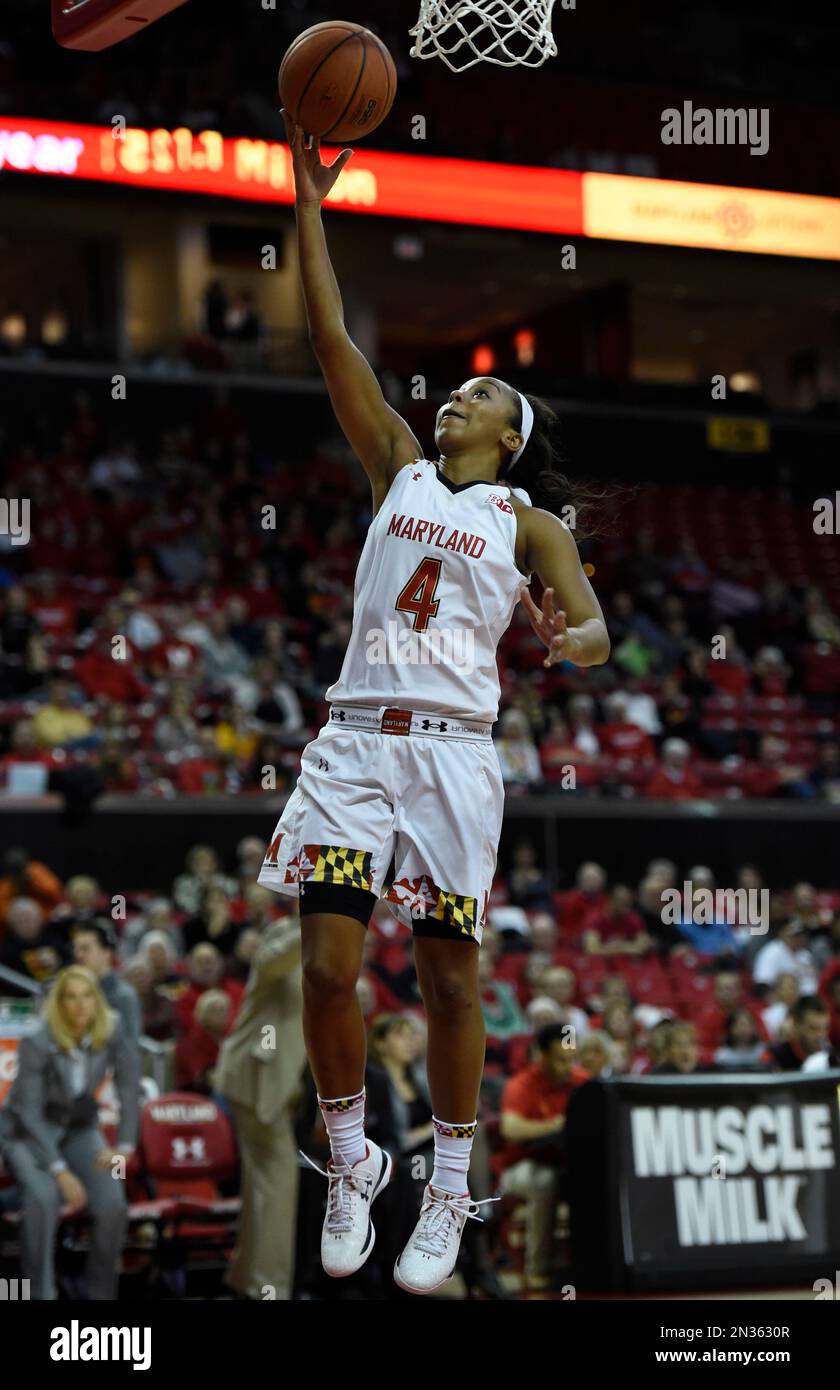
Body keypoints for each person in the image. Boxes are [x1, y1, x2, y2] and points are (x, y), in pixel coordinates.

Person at [256, 111, 610, 1298]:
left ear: (511, 438)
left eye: (475, 396)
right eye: (453, 392)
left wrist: (578, 638)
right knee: (325, 966)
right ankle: (352, 1155)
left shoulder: (532, 524)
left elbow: (595, 624)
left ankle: (451, 1184)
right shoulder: (396, 463)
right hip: (356, 739)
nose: (452, 402)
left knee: (451, 980)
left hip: (456, 756)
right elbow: (323, 332)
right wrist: (308, 197)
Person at [0, 966, 139, 1300]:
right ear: (59, 1003)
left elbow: (129, 1088)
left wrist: (124, 1146)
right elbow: (29, 1113)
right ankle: (40, 1295)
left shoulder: (114, 1027)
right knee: (44, 1197)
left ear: (98, 999)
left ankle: (101, 1296)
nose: (80, 1005)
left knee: (111, 1205)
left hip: (79, 1128)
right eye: (70, 997)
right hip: (25, 1132)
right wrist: (61, 1172)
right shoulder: (38, 1038)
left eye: (87, 995)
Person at [214, 915, 305, 1301]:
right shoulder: (285, 934)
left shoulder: (331, 945)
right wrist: (320, 914)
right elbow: (273, 960)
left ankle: (247, 1278)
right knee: (280, 1182)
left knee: (262, 1184)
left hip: (273, 1082)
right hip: (254, 1078)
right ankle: (270, 1288)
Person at [497, 1024, 589, 1289]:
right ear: (542, 1055)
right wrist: (558, 1124)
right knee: (544, 1181)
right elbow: (510, 1128)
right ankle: (538, 1268)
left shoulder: (581, 1081)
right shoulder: (521, 1084)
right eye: (561, 1060)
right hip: (520, 1168)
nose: (567, 1067)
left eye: (572, 1060)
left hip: (568, 1163)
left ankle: (588, 1264)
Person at [72, 918, 142, 1049]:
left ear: (106, 953)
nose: (78, 955)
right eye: (76, 949)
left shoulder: (123, 996)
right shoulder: (70, 992)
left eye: (85, 949)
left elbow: (130, 1049)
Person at [760, 996, 840, 1070]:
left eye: (825, 1028)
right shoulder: (774, 1057)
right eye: (813, 1028)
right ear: (796, 1025)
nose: (821, 1035)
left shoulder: (833, 1057)